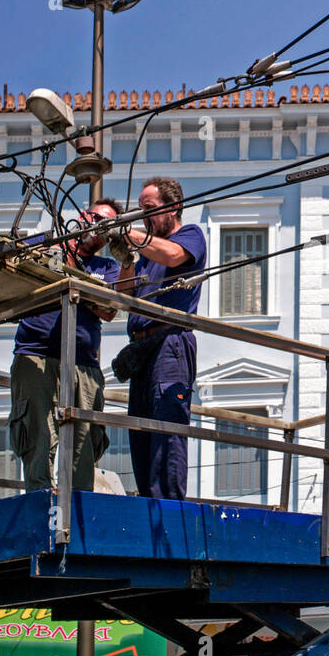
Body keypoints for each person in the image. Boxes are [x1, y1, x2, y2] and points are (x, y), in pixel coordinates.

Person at [8, 198, 121, 492]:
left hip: (83, 364)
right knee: (36, 436)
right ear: (82, 215)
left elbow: (108, 308)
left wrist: (71, 273)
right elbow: (16, 276)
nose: (97, 228)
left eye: (106, 227)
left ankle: (79, 509)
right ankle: (40, 504)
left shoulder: (106, 266)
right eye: (95, 218)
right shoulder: (44, 244)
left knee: (84, 443)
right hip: (36, 356)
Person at [110, 177, 206, 500]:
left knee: (167, 436)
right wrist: (126, 259)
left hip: (169, 344)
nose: (144, 216)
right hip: (142, 350)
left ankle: (170, 512)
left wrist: (131, 236)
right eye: (140, 210)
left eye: (149, 209)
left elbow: (174, 256)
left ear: (173, 206)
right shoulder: (147, 254)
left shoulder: (189, 236)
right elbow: (123, 296)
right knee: (141, 437)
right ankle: (151, 503)